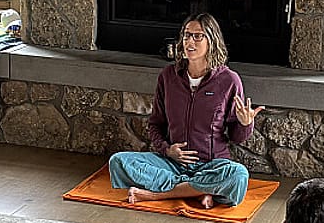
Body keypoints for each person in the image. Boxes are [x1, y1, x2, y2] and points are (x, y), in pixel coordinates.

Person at [107, 13, 263, 209]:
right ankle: (200, 190)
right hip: (172, 163)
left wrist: (245, 123)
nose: (190, 41)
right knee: (118, 162)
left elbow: (236, 137)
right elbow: (156, 123)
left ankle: (156, 195)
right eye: (187, 35)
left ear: (212, 41)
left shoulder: (229, 80)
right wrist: (167, 150)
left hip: (212, 164)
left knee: (238, 175)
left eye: (198, 36)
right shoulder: (168, 76)